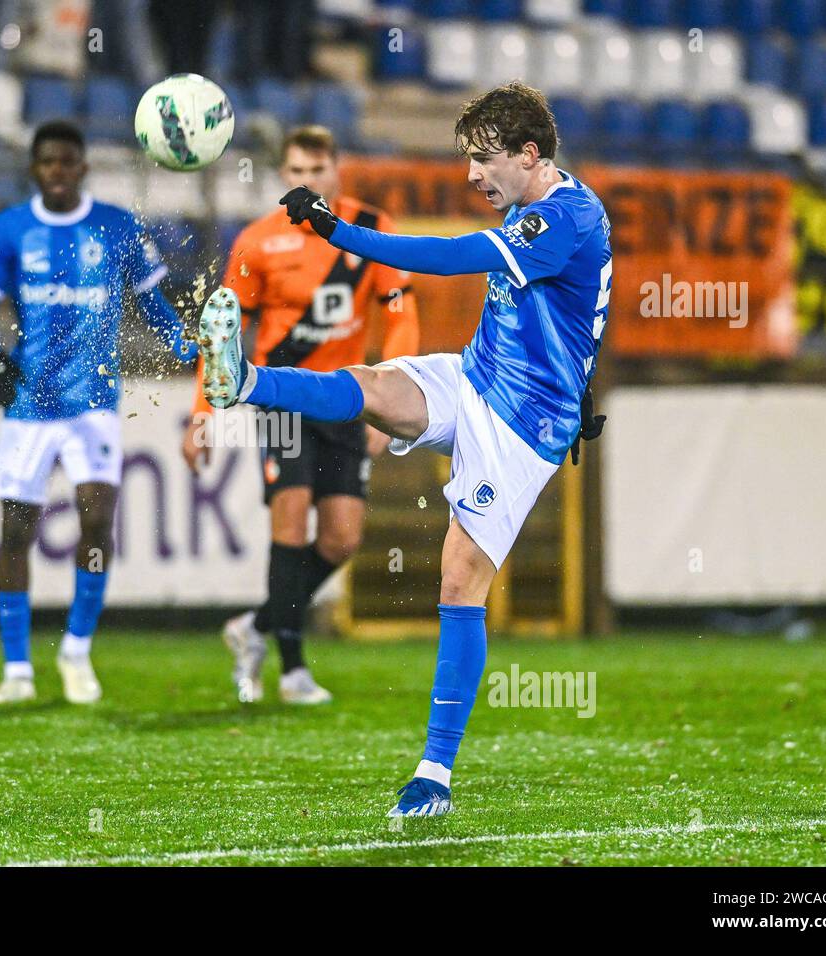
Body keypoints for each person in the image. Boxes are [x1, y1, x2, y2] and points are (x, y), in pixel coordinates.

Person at [196, 82, 611, 815]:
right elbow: (576, 310)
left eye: (484, 160)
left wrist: (336, 231)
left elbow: (449, 259)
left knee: (458, 583)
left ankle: (434, 776)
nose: (472, 176)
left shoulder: (568, 215)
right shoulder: (533, 202)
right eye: (467, 160)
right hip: (478, 376)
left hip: (522, 430)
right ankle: (243, 381)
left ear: (530, 154)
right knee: (370, 384)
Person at [182, 125, 419, 705]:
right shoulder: (258, 242)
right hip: (284, 401)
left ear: (337, 171)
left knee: (340, 540)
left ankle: (253, 625)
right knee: (289, 522)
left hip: (346, 399)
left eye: (317, 171)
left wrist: (388, 402)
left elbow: (402, 318)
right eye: (296, 173)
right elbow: (220, 332)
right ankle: (291, 668)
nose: (307, 181)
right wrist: (201, 414)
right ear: (282, 178)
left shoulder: (371, 230)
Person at [0, 120, 197, 705]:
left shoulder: (116, 227)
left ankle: (76, 650)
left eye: (68, 162)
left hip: (93, 403)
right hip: (29, 407)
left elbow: (153, 306)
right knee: (16, 531)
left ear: (83, 167)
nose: (58, 172)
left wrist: (191, 349)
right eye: (48, 163)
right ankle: (17, 668)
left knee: (97, 519)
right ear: (35, 169)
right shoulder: (10, 229)